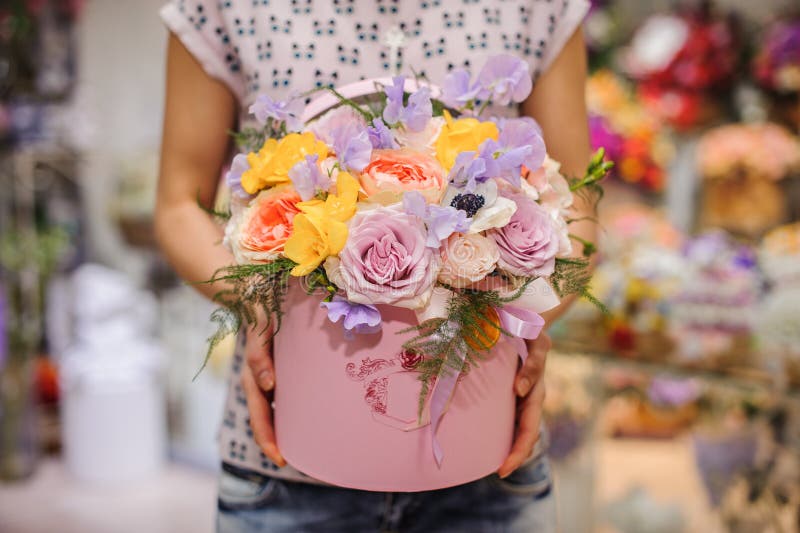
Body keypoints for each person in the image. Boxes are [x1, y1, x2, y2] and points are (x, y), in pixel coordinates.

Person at [156, 1, 594, 531]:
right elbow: (179, 203)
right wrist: (258, 303)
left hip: (489, 457)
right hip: (287, 464)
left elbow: (578, 205)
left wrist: (521, 323)